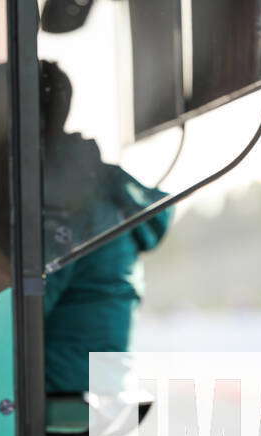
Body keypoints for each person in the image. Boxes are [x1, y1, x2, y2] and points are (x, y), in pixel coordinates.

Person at [40, 61, 173, 394]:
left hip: (68, 373)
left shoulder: (68, 195)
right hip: (90, 369)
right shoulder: (86, 179)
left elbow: (22, 309)